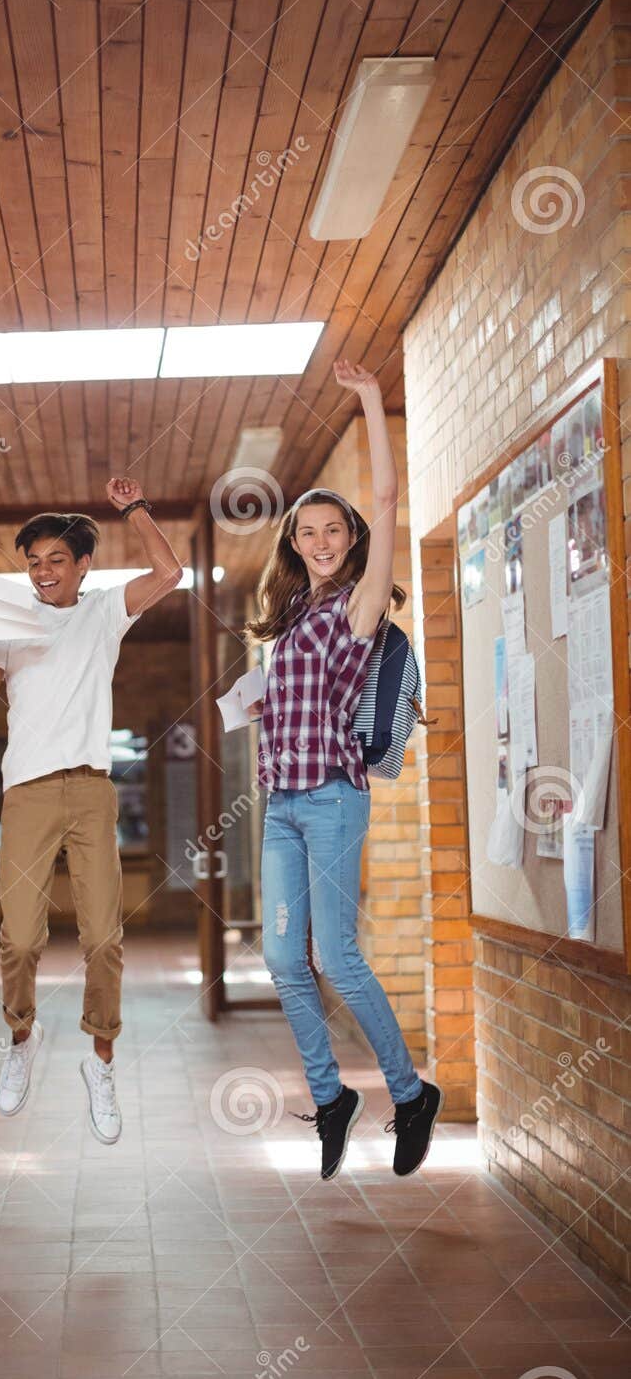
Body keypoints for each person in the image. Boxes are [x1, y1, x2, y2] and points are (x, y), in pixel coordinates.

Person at [245, 361, 442, 1180]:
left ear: (352, 538)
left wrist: (365, 398)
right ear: (292, 545)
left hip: (330, 800)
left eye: (333, 530)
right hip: (279, 806)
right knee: (282, 960)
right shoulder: (290, 615)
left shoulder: (357, 604)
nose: (320, 542)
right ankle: (330, 1098)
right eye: (306, 533)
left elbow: (388, 499)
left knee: (335, 957)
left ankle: (410, 1092)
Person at [0, 478, 183, 1143]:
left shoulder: (105, 610)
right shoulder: (6, 622)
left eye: (56, 559)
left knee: (103, 938)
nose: (43, 571)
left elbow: (169, 573)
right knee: (21, 938)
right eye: (33, 561)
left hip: (91, 790)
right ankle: (20, 1039)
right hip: (27, 791)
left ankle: (100, 1061)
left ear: (83, 565)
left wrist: (135, 510)